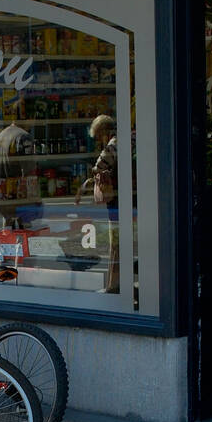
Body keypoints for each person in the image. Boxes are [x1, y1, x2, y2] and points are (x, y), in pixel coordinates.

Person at [75, 114, 119, 293]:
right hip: (133, 199)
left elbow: (98, 170)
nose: (99, 141)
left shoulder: (112, 146)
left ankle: (113, 286)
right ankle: (114, 284)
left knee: (116, 245)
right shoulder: (130, 140)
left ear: (104, 132)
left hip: (117, 201)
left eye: (99, 136)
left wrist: (83, 187)